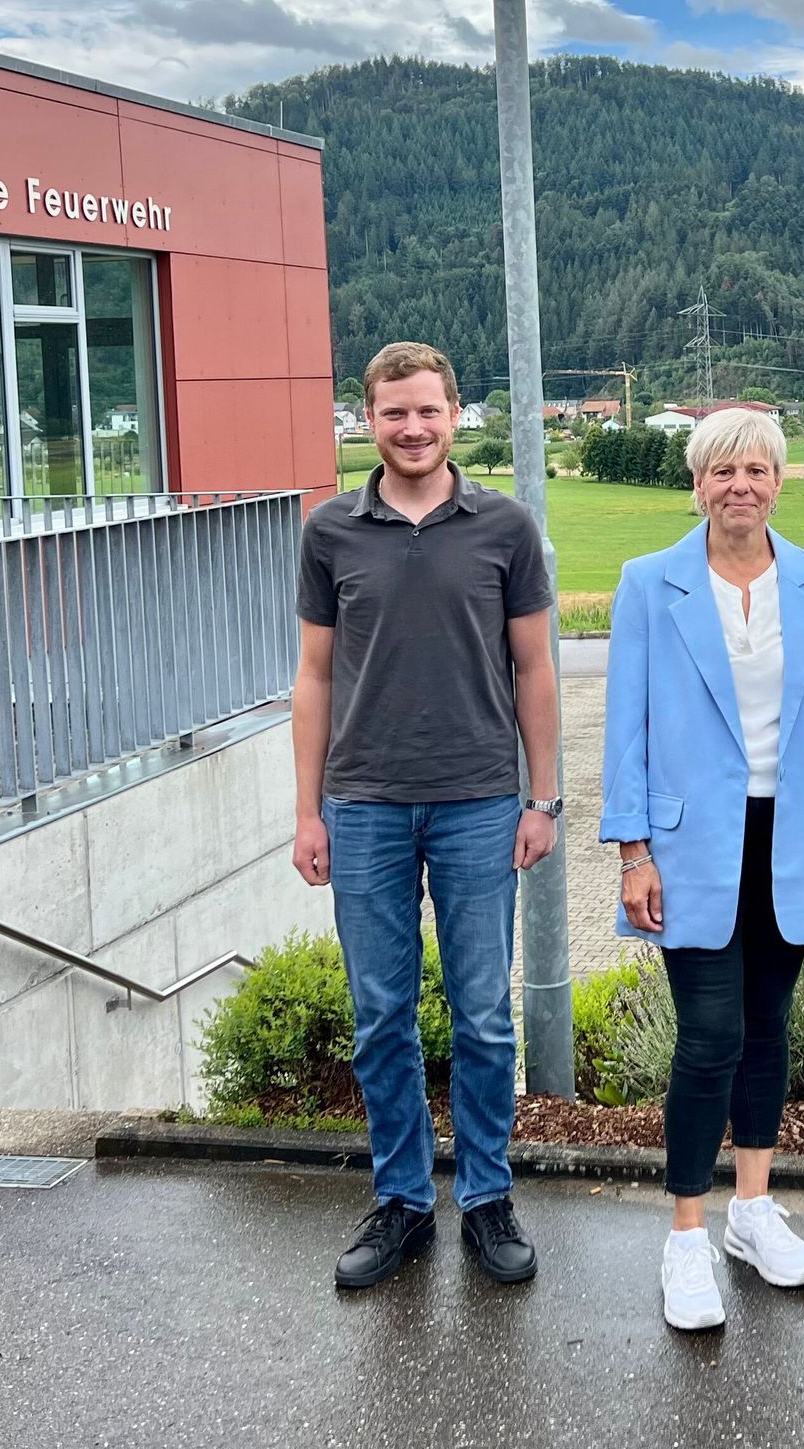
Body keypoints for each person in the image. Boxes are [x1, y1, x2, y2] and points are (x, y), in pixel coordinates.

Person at [291, 341, 561, 1292]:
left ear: (456, 415)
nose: (413, 427)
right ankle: (403, 1200)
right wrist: (308, 812)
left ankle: (486, 1195)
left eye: (428, 411)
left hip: (480, 802)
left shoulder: (505, 528)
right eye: (394, 412)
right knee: (381, 1016)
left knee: (486, 1018)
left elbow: (536, 668)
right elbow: (315, 676)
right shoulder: (331, 531)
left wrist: (542, 798)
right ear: (368, 417)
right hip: (361, 805)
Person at [601, 407, 804, 1332]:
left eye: (756, 469)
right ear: (697, 484)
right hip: (689, 847)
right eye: (722, 471)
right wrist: (632, 850)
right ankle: (686, 1233)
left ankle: (753, 1211)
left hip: (794, 836)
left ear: (779, 481)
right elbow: (626, 727)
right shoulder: (650, 584)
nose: (740, 486)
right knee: (710, 1032)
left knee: (768, 1025)